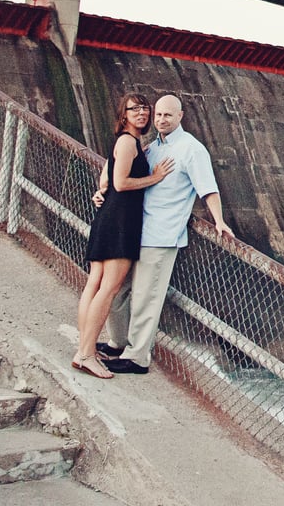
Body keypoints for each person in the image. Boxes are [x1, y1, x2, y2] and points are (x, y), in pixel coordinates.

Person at [100, 94, 234, 374]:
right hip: (134, 229)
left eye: (168, 116)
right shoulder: (151, 147)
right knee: (117, 290)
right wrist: (103, 192)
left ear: (180, 117)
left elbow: (207, 188)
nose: (161, 119)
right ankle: (118, 342)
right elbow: (119, 170)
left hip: (161, 235)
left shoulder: (191, 149)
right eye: (158, 114)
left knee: (146, 297)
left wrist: (219, 220)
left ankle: (137, 357)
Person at [70, 93, 175, 379]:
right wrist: (154, 178)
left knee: (95, 285)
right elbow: (121, 182)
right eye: (134, 109)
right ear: (123, 114)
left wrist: (102, 193)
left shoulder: (126, 142)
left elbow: (106, 181)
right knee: (108, 289)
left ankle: (84, 349)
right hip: (121, 222)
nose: (141, 113)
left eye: (145, 108)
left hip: (109, 217)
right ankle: (87, 355)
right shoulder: (128, 142)